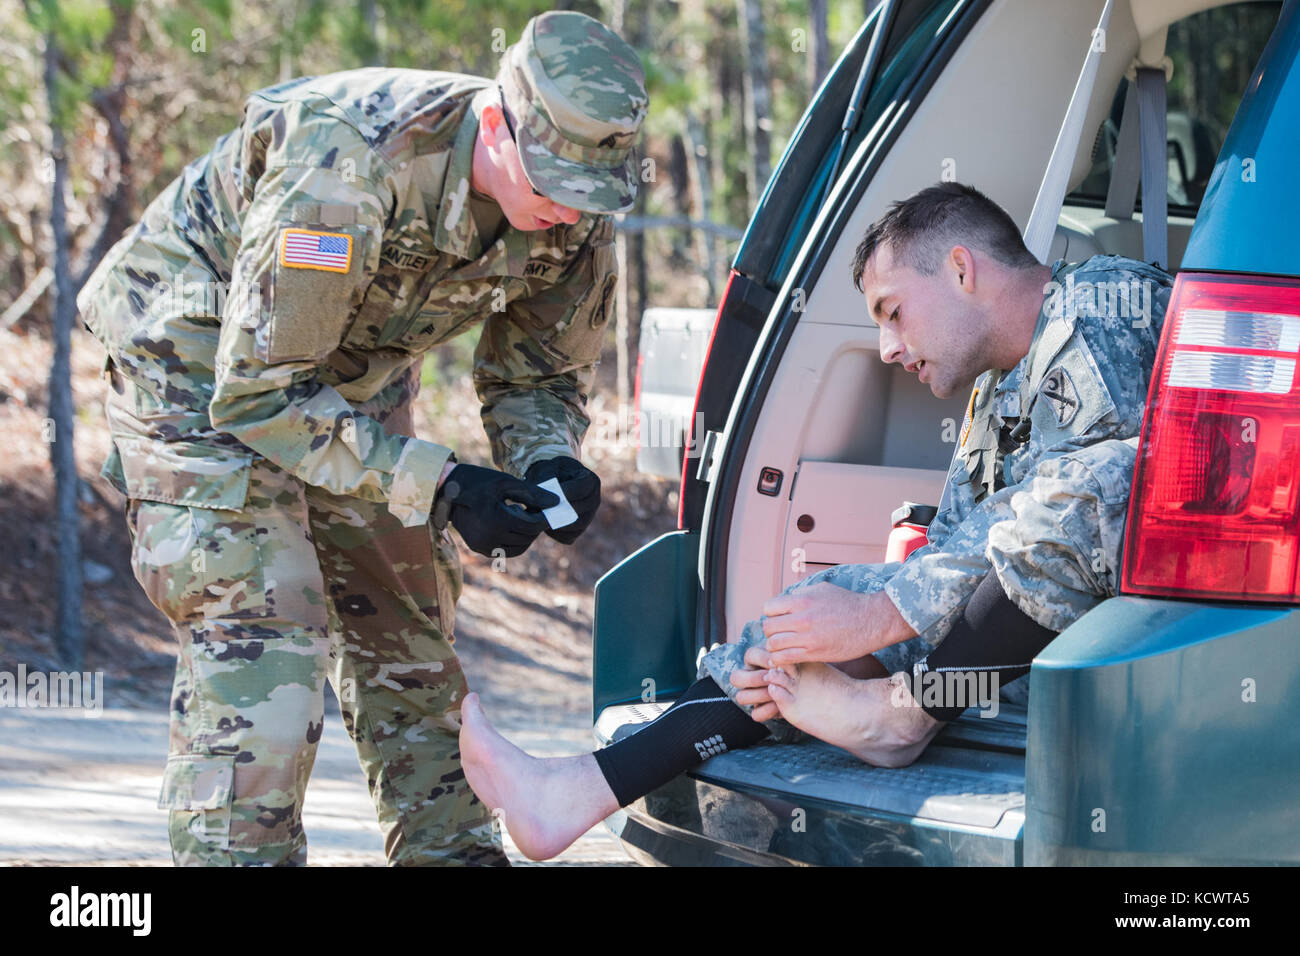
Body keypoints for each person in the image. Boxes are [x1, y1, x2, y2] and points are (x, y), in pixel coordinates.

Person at [75, 11, 648, 866]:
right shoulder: (347, 166)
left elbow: (539, 376)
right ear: (497, 123)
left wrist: (546, 459)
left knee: (407, 631)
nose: (567, 210)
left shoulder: (577, 199)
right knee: (265, 627)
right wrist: (446, 483)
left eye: (588, 193)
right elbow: (263, 391)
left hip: (347, 373)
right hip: (197, 361)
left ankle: (451, 856)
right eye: (551, 183)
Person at [458, 182, 1173, 860]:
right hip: (1030, 641)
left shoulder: (1107, 304)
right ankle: (578, 790)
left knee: (1100, 478)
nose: (890, 349)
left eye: (893, 311)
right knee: (806, 619)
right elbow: (964, 550)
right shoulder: (1000, 392)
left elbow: (1095, 503)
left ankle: (901, 717)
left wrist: (882, 617)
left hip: (1146, 640)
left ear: (961, 270)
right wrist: (850, 621)